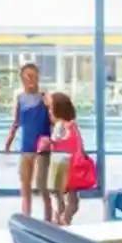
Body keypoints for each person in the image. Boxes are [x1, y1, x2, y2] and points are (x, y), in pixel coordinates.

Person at [3, 63, 53, 222]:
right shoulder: (20, 99)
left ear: (38, 77)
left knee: (42, 186)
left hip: (42, 149)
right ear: (22, 79)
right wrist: (8, 142)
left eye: (33, 75)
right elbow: (16, 122)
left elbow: (55, 122)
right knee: (25, 185)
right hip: (26, 147)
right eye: (27, 76)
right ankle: (26, 218)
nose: (30, 79)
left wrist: (49, 107)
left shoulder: (45, 97)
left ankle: (48, 219)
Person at [48, 91, 82, 226]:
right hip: (68, 165)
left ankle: (60, 223)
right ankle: (63, 223)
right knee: (72, 203)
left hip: (59, 166)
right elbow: (78, 146)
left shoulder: (60, 126)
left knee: (61, 203)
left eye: (51, 108)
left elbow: (55, 143)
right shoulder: (70, 125)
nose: (49, 112)